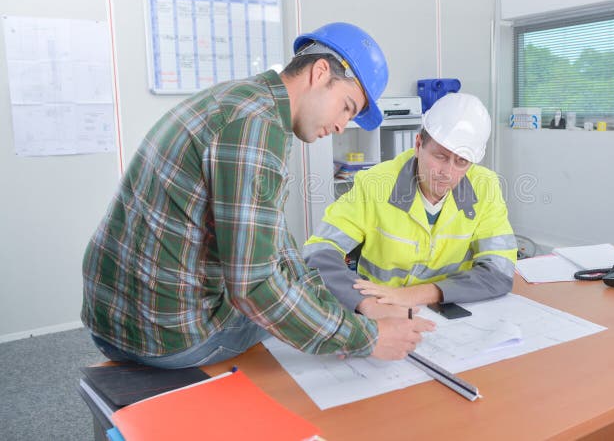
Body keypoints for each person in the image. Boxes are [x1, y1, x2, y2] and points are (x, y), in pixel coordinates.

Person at [81, 22, 434, 369]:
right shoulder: (254, 129)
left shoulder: (248, 101)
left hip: (114, 311)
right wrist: (366, 337)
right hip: (161, 334)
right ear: (320, 72)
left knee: (308, 303)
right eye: (346, 106)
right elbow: (255, 287)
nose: (343, 126)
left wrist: (355, 306)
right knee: (288, 318)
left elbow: (275, 243)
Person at [303, 93, 517, 318]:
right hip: (382, 312)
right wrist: (365, 303)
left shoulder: (485, 186)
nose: (448, 172)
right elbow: (318, 252)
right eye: (440, 156)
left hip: (453, 313)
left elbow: (500, 271)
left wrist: (419, 294)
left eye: (462, 161)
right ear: (418, 144)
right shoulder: (375, 184)